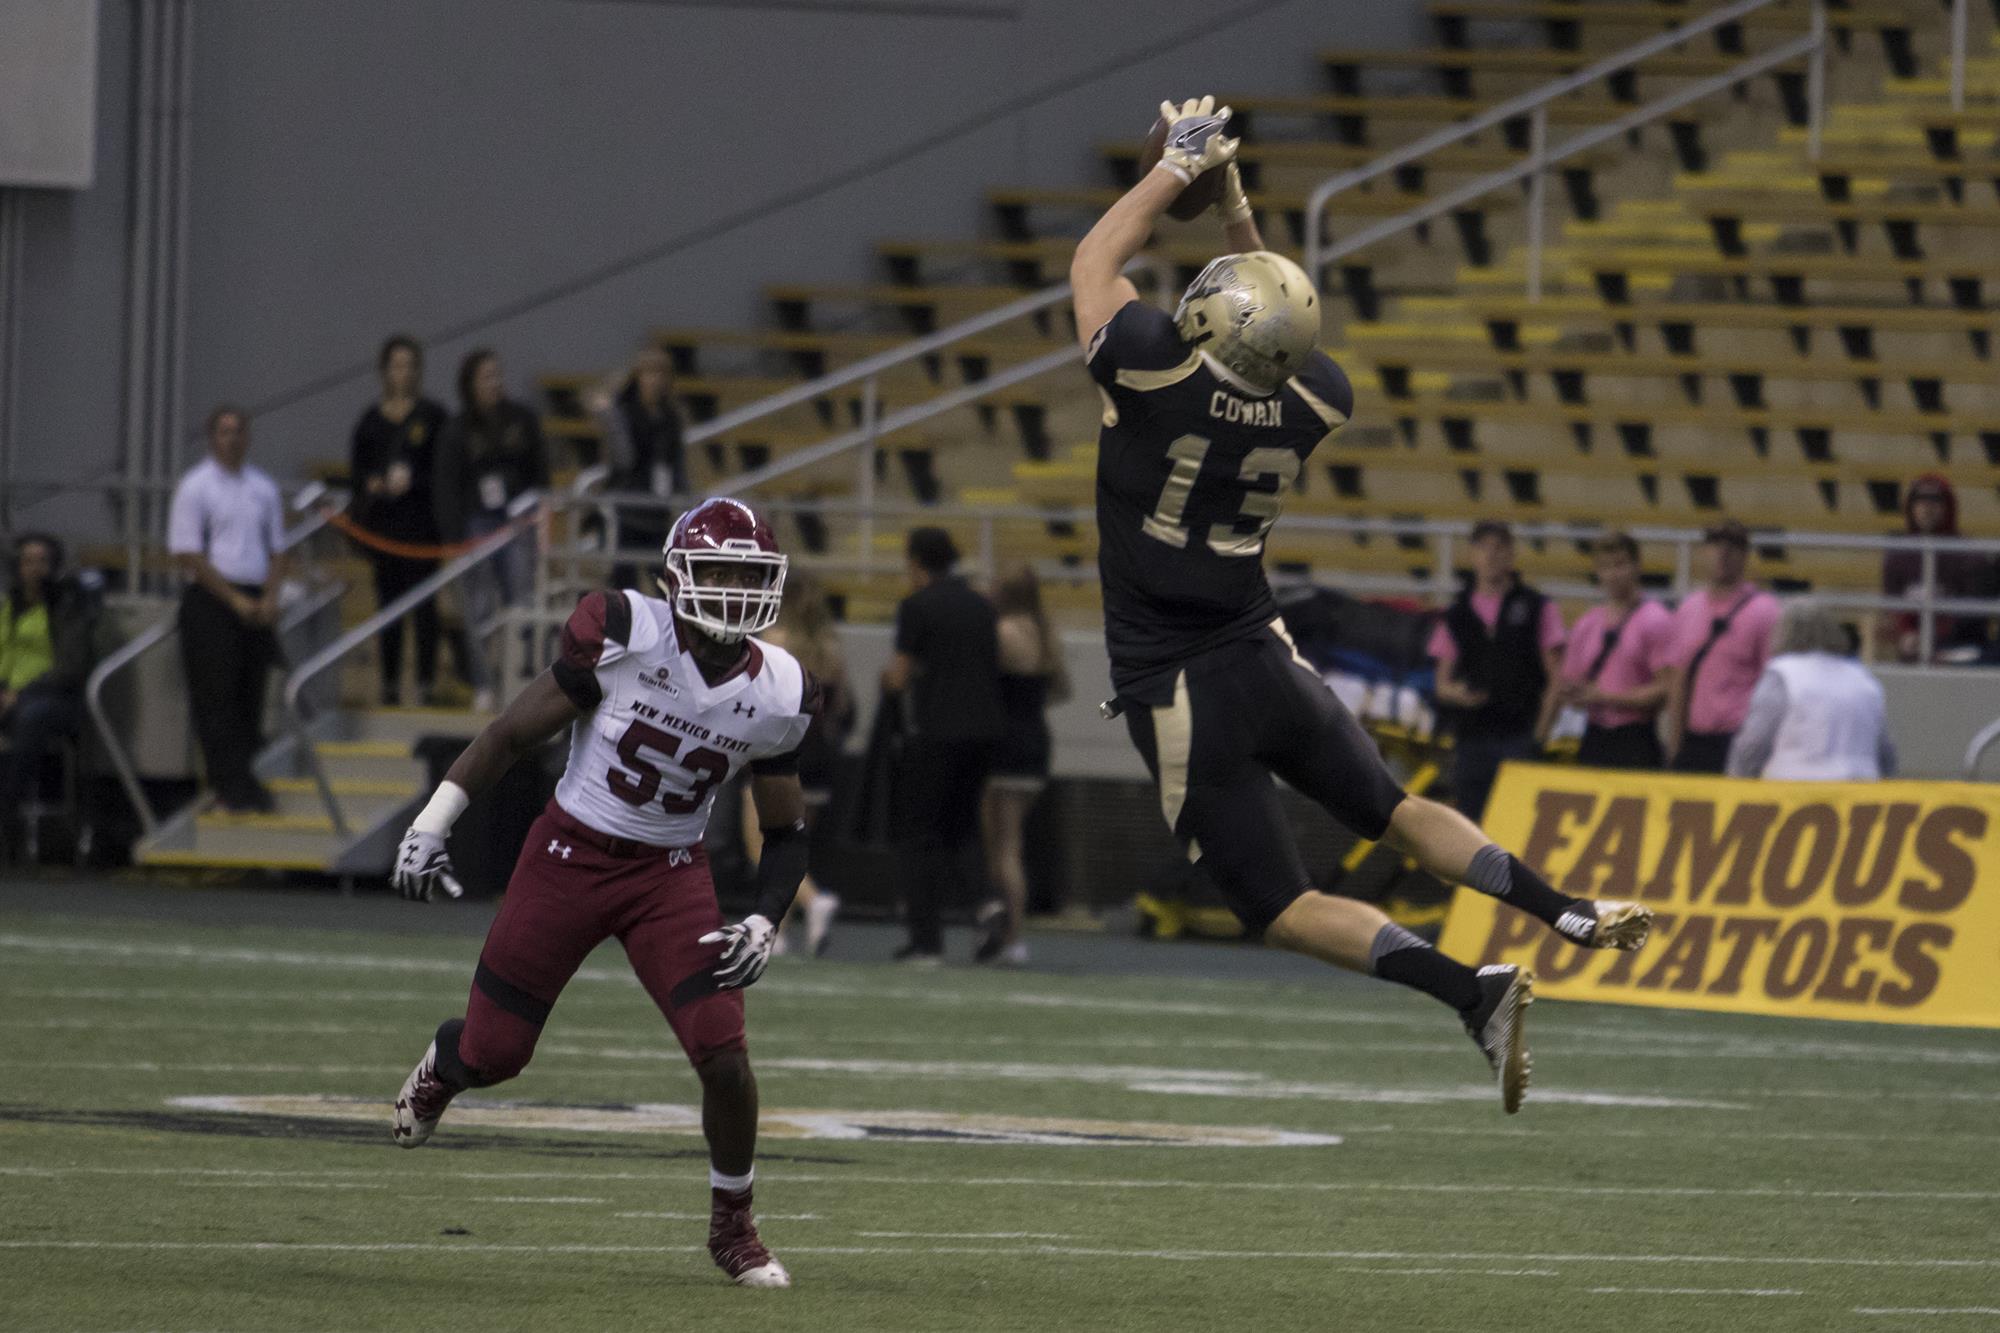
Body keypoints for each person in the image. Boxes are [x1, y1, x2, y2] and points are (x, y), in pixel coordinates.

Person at [1070, 96, 1651, 1113]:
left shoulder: (1155, 371)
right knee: (1393, 810)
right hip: (1265, 657)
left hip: (1177, 684)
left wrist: (1183, 168)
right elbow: (1278, 313)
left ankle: (1467, 989)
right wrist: (1236, 203)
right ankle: (1559, 913)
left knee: (1284, 907)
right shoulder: (1312, 398)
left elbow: (1093, 260)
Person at [388, 497, 816, 1290]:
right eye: (715, 570)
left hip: (670, 875)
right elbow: (512, 734)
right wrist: (433, 821)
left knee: (724, 1054)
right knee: (496, 1054)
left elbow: (786, 830)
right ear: (675, 576)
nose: (729, 588)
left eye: (744, 574)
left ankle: (735, 1227)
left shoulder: (781, 687)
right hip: (567, 855)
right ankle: (447, 1064)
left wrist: (762, 915)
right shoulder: (623, 629)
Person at [882, 526, 1004, 963]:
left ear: (916, 562)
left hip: (934, 732)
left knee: (920, 835)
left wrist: (895, 681)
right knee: (964, 825)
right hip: (985, 732)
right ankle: (985, 900)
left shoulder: (917, 606)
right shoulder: (981, 605)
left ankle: (926, 941)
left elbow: (898, 674)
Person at [167, 406, 289, 813]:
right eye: (224, 431)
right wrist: (234, 599)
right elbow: (189, 552)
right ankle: (229, 787)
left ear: (248, 437)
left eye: (238, 431)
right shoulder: (196, 486)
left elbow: (276, 549)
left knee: (250, 697)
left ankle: (245, 781)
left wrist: (270, 598)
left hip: (254, 592)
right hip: (212, 599)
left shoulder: (262, 487)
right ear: (212, 437)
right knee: (216, 698)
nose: (232, 438)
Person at [740, 569, 851, 957]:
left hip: (782, 754)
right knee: (791, 845)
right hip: (822, 758)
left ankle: (813, 899)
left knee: (762, 844)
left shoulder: (774, 641)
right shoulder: (830, 650)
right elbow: (843, 707)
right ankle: (777, 934)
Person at [433, 349, 550, 711]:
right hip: (476, 526)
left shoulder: (522, 419)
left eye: (498, 375)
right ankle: (483, 682)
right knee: (479, 610)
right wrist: (456, 540)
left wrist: (535, 512)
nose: (495, 383)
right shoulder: (456, 430)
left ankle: (521, 681)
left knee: (521, 602)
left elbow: (538, 471)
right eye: (486, 377)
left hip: (516, 522)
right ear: (470, 384)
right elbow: (447, 487)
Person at [1428, 521, 1567, 818]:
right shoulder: (1457, 613)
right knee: (1472, 830)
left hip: (1519, 733)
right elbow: (1442, 683)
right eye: (1484, 547)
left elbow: (1557, 679)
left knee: (1516, 825)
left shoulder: (1536, 607)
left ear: (1511, 554)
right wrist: (1459, 694)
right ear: (1472, 554)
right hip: (1473, 739)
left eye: (1499, 547)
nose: (1491, 555)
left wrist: (1538, 737)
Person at [349, 334, 450, 705]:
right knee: (387, 606)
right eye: (396, 365)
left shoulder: (433, 417)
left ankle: (426, 683)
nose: (403, 373)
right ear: (384, 371)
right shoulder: (370, 422)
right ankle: (389, 681)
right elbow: (356, 472)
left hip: (422, 525)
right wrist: (373, 482)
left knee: (425, 608)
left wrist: (415, 481)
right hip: (385, 527)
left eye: (410, 365)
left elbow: (445, 470)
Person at [977, 563, 1069, 966]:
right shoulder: (1047, 634)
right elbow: (1061, 689)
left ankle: (1010, 934)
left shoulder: (1003, 632)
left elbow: (980, 683)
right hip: (1036, 739)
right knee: (1012, 842)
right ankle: (1010, 933)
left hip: (1004, 743)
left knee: (1003, 845)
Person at [0, 534, 105, 857]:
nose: (34, 569)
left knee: (31, 717)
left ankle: (6, 810)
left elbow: (70, 666)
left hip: (54, 696)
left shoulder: (67, 604)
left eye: (41, 561)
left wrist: (22, 693)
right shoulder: (9, 605)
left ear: (54, 566)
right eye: (28, 562)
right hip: (7, 693)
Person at [1661, 519, 1782, 773]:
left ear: (1745, 555)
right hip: (1695, 738)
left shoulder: (1764, 612)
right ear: (1704, 551)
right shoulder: (1689, 608)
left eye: (1733, 547)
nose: (1723, 554)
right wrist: (1675, 744)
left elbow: (1773, 685)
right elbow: (1678, 680)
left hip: (1739, 738)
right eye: (1715, 545)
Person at [1728, 600, 1896, 780]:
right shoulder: (1863, 679)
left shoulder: (1782, 675)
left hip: (1795, 791)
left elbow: (1754, 743)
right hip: (1859, 793)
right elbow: (1885, 752)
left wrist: (1737, 784)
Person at [1555, 532, 1673, 769]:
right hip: (1594, 732)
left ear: (1636, 567)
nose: (1613, 574)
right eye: (1606, 567)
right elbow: (1569, 680)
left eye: (1620, 565)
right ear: (1598, 572)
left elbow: (1666, 689)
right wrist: (1573, 692)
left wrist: (1606, 697)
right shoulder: (1588, 623)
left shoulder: (1655, 620)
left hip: (1635, 735)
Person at [591, 345, 687, 587]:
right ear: (638, 376)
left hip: (657, 514)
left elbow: (677, 465)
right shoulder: (623, 414)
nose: (656, 381)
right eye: (650, 373)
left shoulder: (671, 418)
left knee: (667, 586)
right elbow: (624, 459)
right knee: (624, 589)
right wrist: (609, 415)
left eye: (662, 373)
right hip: (626, 514)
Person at [1880, 473, 1994, 663]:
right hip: (1910, 644)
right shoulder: (1898, 555)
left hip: (1958, 647)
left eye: (1934, 501)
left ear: (1948, 507)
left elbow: (1972, 616)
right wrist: (1907, 633)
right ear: (1910, 507)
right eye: (1919, 501)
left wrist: (1933, 638)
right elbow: (1892, 605)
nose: (1926, 508)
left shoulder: (1969, 555)